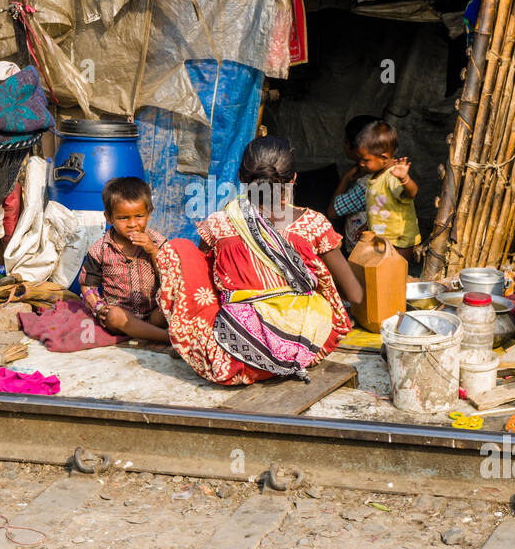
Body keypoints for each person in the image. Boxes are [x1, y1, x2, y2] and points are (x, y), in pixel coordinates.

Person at [153, 137, 364, 386]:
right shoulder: (313, 224)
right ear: (294, 178)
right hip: (304, 346)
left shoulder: (219, 224)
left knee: (181, 250)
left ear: (241, 177)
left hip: (237, 355)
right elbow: (355, 295)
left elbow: (206, 285)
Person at [78, 177, 170, 342]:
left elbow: (170, 278)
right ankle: (166, 338)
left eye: (139, 216)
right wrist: (98, 308)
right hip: (121, 319)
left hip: (154, 316)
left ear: (149, 214)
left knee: (170, 302)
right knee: (113, 316)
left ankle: (150, 332)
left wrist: (153, 251)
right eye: (123, 218)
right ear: (109, 218)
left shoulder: (157, 242)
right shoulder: (100, 249)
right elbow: (87, 285)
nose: (132, 224)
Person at [353, 119, 420, 262]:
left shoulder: (392, 176)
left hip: (398, 242)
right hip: (383, 241)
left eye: (365, 160)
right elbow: (377, 208)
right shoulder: (374, 177)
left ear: (383, 157)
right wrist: (367, 226)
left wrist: (405, 179)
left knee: (396, 276)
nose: (361, 164)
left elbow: (411, 193)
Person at [327, 114, 379, 252]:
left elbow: (332, 212)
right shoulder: (385, 177)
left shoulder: (367, 185)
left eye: (346, 140)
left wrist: (344, 179)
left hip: (363, 255)